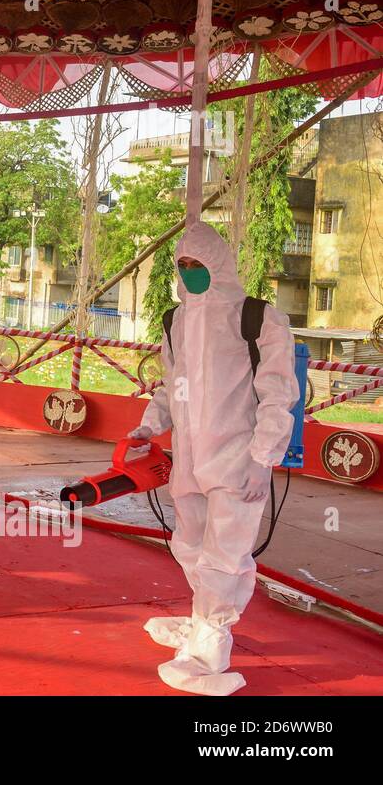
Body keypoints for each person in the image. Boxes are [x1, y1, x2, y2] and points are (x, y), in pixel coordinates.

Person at [129, 222, 298, 695]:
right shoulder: (175, 321)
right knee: (189, 545)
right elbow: (170, 386)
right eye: (182, 265)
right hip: (190, 459)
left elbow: (278, 393)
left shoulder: (258, 318)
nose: (189, 272)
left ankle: (210, 646)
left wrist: (261, 457)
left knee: (226, 553)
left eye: (197, 264)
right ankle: (203, 618)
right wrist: (150, 424)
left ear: (218, 264)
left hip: (238, 458)